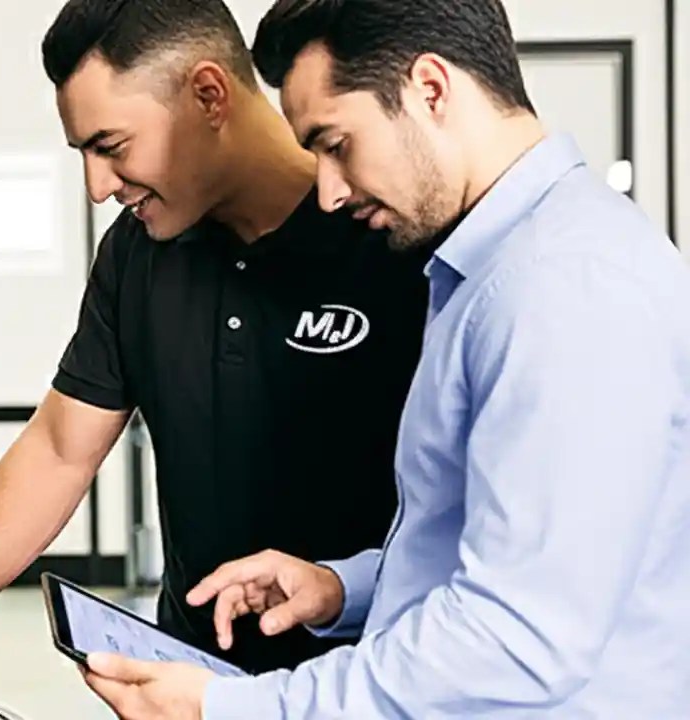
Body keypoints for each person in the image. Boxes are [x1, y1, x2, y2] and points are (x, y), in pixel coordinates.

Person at [0, 1, 430, 718]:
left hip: (366, 689)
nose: (97, 185)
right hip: (186, 687)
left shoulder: (394, 236)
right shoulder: (137, 254)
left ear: (209, 95)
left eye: (111, 145)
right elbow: (58, 452)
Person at [79, 0, 690, 718]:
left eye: (337, 144)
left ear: (430, 89)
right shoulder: (493, 273)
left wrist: (232, 709)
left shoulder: (563, 286)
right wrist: (344, 589)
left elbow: (518, 636)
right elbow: (512, 553)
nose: (329, 192)